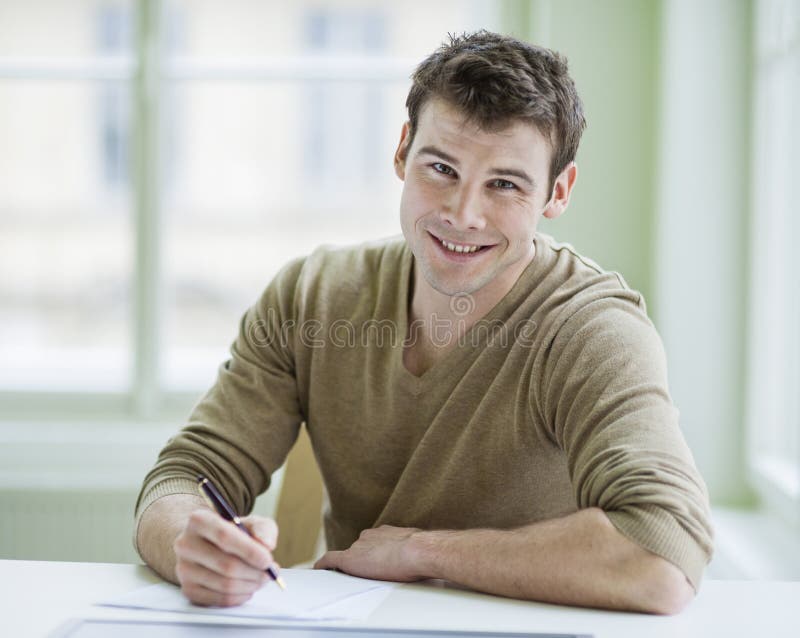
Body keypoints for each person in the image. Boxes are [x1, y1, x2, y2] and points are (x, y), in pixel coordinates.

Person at [134, 30, 713, 615]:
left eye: (505, 185)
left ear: (557, 192)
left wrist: (423, 553)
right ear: (402, 151)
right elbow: (185, 477)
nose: (463, 215)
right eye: (441, 168)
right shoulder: (311, 296)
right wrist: (192, 542)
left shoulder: (591, 331)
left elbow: (662, 555)